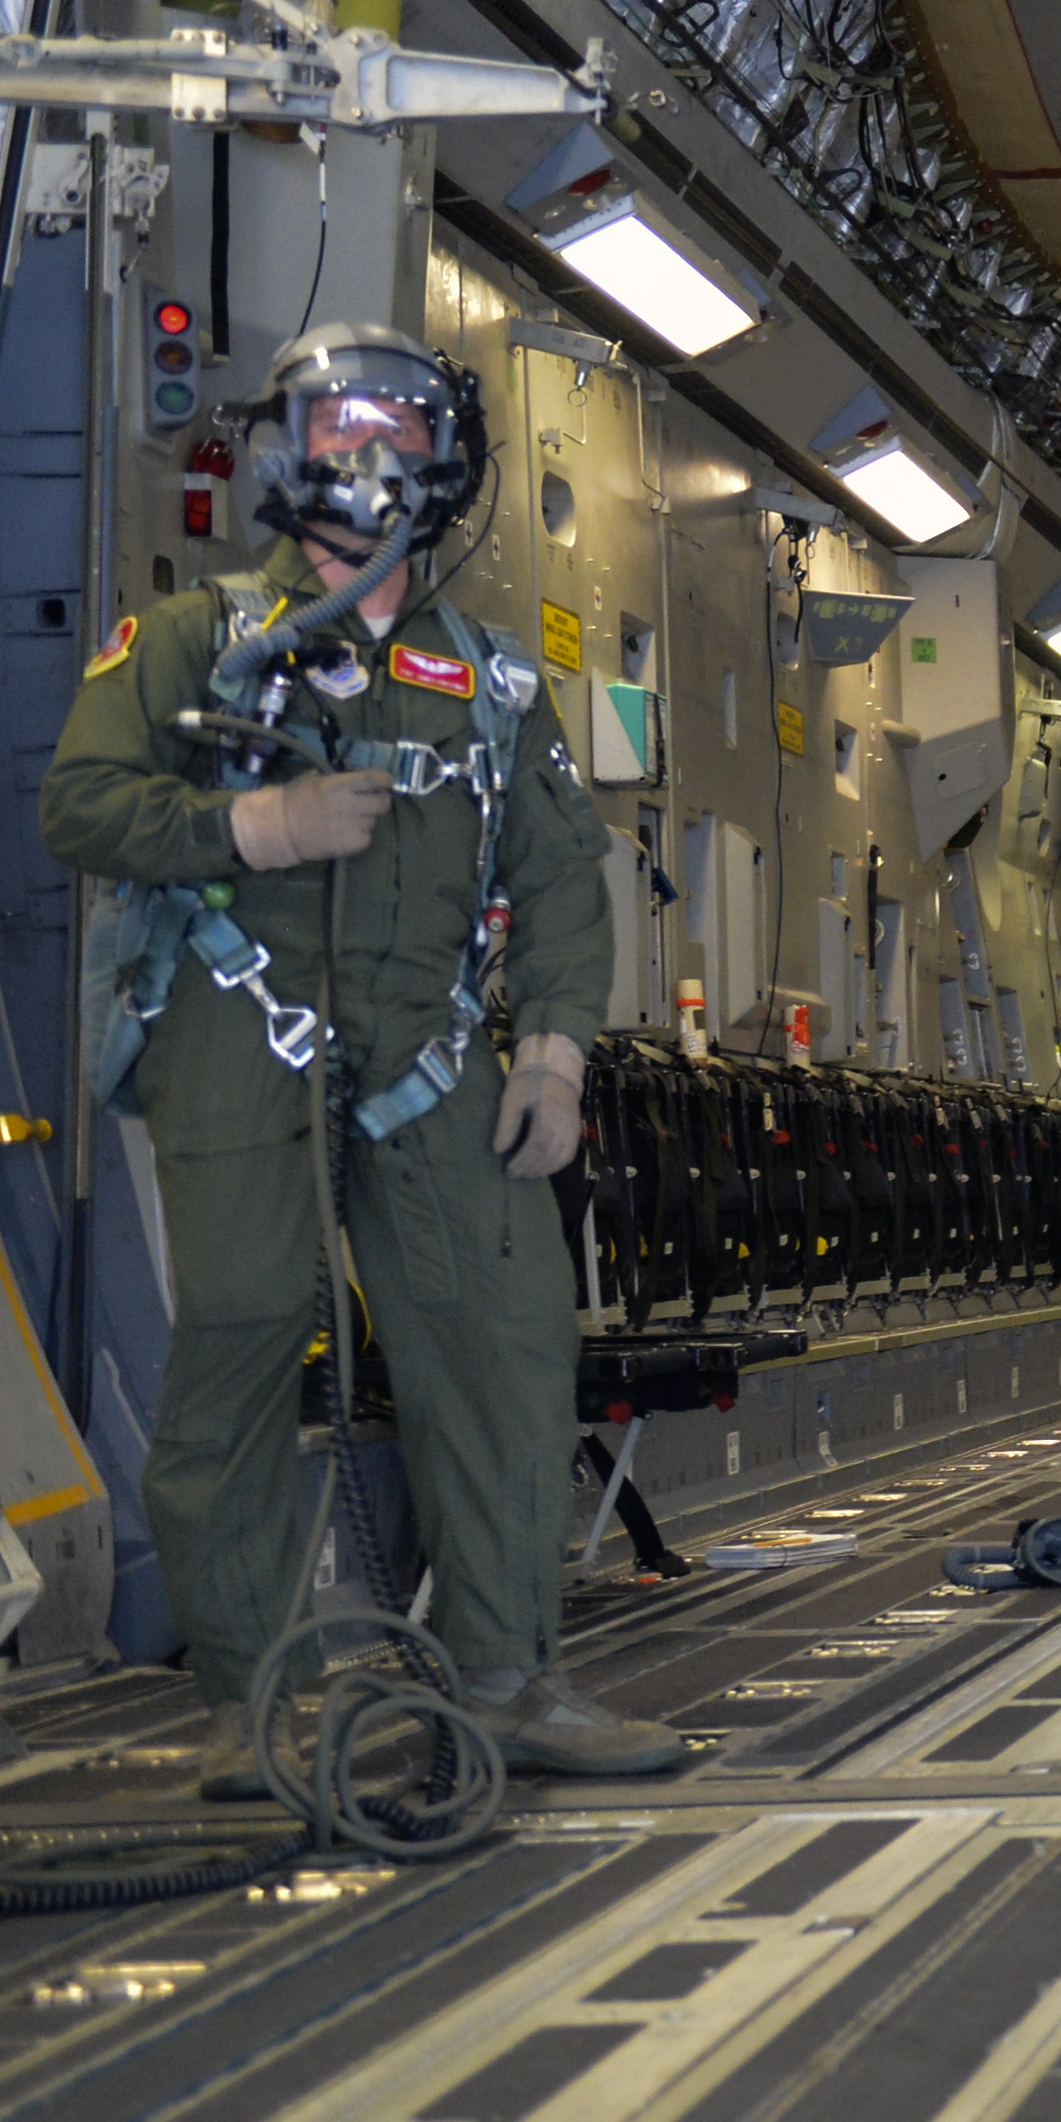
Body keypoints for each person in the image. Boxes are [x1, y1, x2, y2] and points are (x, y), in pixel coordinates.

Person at [43, 322, 686, 1795]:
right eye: (334, 423)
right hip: (233, 1025)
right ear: (285, 450)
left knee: (506, 1347)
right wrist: (244, 831)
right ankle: (254, 1697)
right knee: (245, 1343)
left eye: (394, 420)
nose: (363, 448)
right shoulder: (196, 643)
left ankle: (514, 1677)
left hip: (438, 1053)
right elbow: (79, 805)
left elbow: (563, 877)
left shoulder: (495, 686)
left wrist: (557, 1055)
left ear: (444, 456)